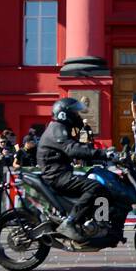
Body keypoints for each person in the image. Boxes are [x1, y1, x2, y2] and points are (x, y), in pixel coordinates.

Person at [37, 97, 104, 242]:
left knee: (95, 177)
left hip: (60, 172)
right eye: (75, 113)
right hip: (57, 175)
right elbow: (72, 149)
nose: (78, 116)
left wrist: (100, 157)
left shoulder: (60, 128)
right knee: (95, 186)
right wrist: (102, 153)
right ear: (64, 114)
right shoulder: (57, 129)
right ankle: (70, 222)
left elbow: (76, 148)